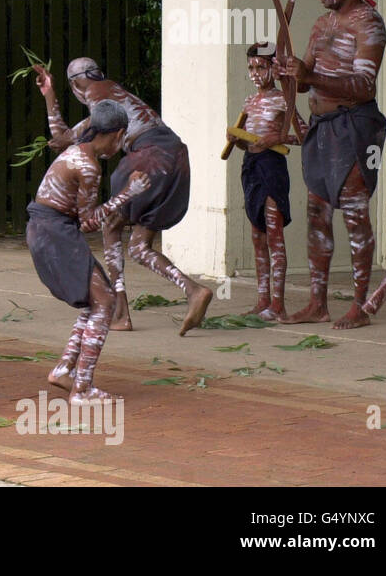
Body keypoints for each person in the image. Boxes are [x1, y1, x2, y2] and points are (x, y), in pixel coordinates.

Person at [35, 57, 213, 335]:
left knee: (110, 224)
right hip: (174, 155)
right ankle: (194, 290)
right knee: (139, 247)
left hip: (150, 155)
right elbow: (66, 137)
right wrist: (49, 95)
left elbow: (78, 140)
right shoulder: (110, 102)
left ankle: (120, 311)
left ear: (77, 84)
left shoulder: (97, 92)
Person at [277, 0, 386, 331]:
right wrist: (291, 73)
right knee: (317, 215)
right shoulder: (321, 24)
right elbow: (307, 79)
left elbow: (364, 86)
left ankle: (361, 305)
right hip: (322, 129)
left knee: (354, 212)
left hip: (354, 126)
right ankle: (317, 303)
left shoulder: (368, 24)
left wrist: (310, 76)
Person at [29, 100, 148, 404]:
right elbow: (88, 222)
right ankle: (82, 389)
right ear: (117, 133)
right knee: (105, 302)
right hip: (56, 233)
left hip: (48, 229)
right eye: (122, 138)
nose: (120, 145)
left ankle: (64, 370)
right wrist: (127, 194)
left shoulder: (77, 151)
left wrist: (50, 95)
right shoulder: (89, 166)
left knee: (95, 301)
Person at [226, 43, 307, 322]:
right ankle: (262, 300)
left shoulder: (285, 99)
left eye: (261, 67)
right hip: (250, 167)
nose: (255, 73)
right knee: (257, 236)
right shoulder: (249, 102)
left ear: (273, 67)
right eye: (251, 67)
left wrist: (280, 138)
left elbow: (306, 136)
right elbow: (248, 141)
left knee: (274, 233)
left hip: (272, 167)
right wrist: (237, 142)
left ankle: (278, 303)